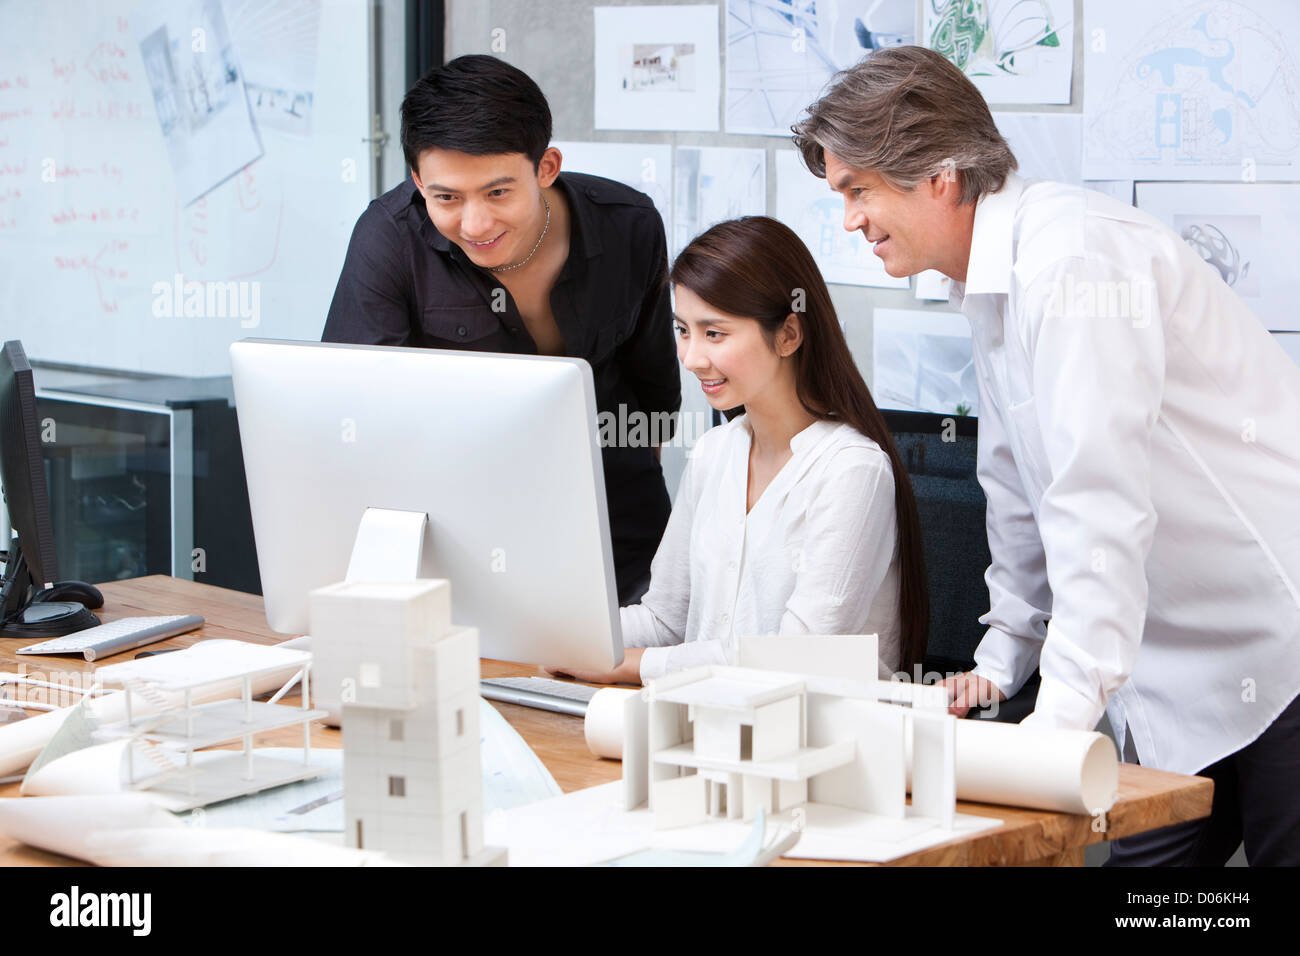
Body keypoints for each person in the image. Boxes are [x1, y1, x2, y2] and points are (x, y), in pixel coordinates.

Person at [792, 45, 1300, 865]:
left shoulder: (1071, 259)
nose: (849, 218)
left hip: (1274, 636)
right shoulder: (989, 280)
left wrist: (1053, 731)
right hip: (1163, 661)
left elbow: (1098, 505)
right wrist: (1002, 658)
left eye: (859, 190)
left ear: (940, 175)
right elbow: (1021, 490)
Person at [321, 54, 679, 604]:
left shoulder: (629, 223)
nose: (476, 224)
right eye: (446, 198)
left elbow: (653, 394)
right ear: (417, 181)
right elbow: (354, 416)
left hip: (615, 517)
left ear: (546, 167)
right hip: (459, 531)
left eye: (497, 192)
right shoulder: (389, 240)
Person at [550, 216, 928, 686]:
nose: (690, 358)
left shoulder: (851, 470)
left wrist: (628, 665)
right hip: (708, 722)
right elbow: (665, 622)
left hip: (818, 737)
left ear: (789, 334)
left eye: (715, 333)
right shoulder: (714, 452)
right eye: (682, 330)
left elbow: (797, 658)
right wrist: (556, 634)